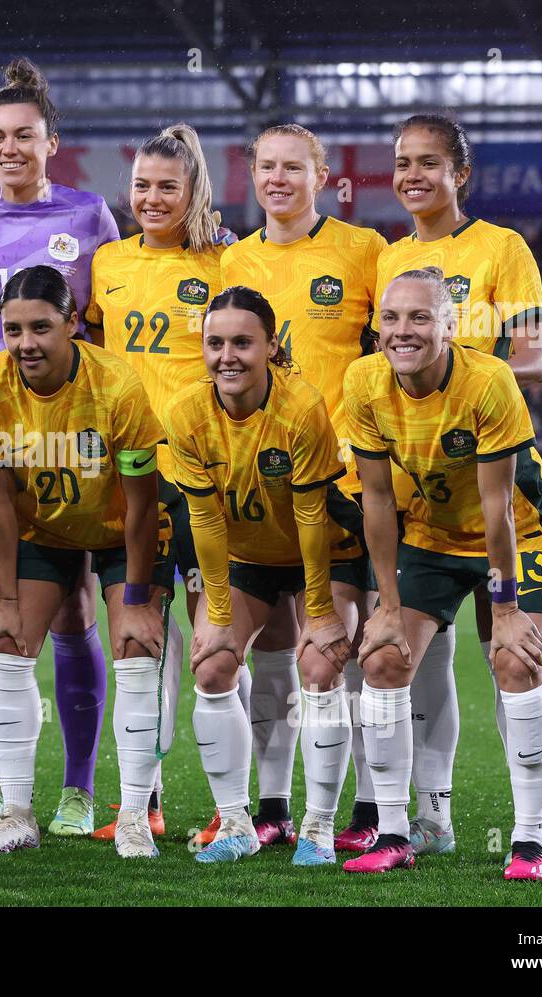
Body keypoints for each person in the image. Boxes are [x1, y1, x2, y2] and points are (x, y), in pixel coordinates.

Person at [0, 57, 121, 837]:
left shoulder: (90, 218)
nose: (9, 148)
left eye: (24, 136)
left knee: (71, 605)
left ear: (53, 141)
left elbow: (110, 322)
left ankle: (78, 789)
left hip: (65, 440)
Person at [343, 266, 542, 880]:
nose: (401, 331)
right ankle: (394, 833)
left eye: (419, 318)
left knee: (515, 661)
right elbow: (378, 500)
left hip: (520, 532)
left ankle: (529, 840)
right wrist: (387, 604)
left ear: (448, 325)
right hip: (432, 535)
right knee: (384, 658)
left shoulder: (488, 381)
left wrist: (508, 608)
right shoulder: (362, 382)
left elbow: (497, 509)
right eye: (390, 318)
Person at [373, 114, 542, 856]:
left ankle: (531, 831)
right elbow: (382, 359)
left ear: (461, 174)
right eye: (402, 163)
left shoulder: (503, 249)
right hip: (421, 494)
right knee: (409, 656)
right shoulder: (385, 259)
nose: (413, 175)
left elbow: (535, 358)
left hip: (500, 482)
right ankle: (431, 814)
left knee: (509, 653)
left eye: (429, 163)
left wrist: (460, 374)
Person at [221, 123, 388, 852]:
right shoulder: (233, 258)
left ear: (321, 175)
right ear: (252, 173)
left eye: (294, 167)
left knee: (341, 652)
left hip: (346, 482)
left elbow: (390, 356)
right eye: (266, 166)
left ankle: (373, 806)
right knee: (274, 656)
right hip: (258, 484)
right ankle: (274, 802)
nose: (278, 179)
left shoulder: (363, 251)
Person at [0, 265, 168, 857]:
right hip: (41, 532)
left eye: (41, 328)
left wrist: (134, 601)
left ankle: (132, 816)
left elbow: (141, 505)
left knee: (132, 645)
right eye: (13, 329)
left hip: (115, 532)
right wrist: (4, 600)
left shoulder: (117, 387)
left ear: (73, 323)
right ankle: (17, 816)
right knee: (5, 645)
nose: (26, 343)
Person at [169, 286, 361, 864]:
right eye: (215, 343)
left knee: (321, 664)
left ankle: (321, 827)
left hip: (323, 553)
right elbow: (204, 522)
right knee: (212, 663)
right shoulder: (186, 413)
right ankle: (235, 823)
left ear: (272, 347)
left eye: (243, 343)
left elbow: (311, 516)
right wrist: (220, 617)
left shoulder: (301, 408)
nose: (227, 355)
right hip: (247, 559)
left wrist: (321, 612)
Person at [84, 122, 228, 840]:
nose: (151, 197)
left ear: (193, 189)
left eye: (167, 186)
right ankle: (143, 799)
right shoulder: (106, 262)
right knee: (139, 639)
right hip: (128, 480)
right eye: (141, 185)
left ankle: (242, 809)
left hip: (204, 480)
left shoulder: (227, 262)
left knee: (213, 650)